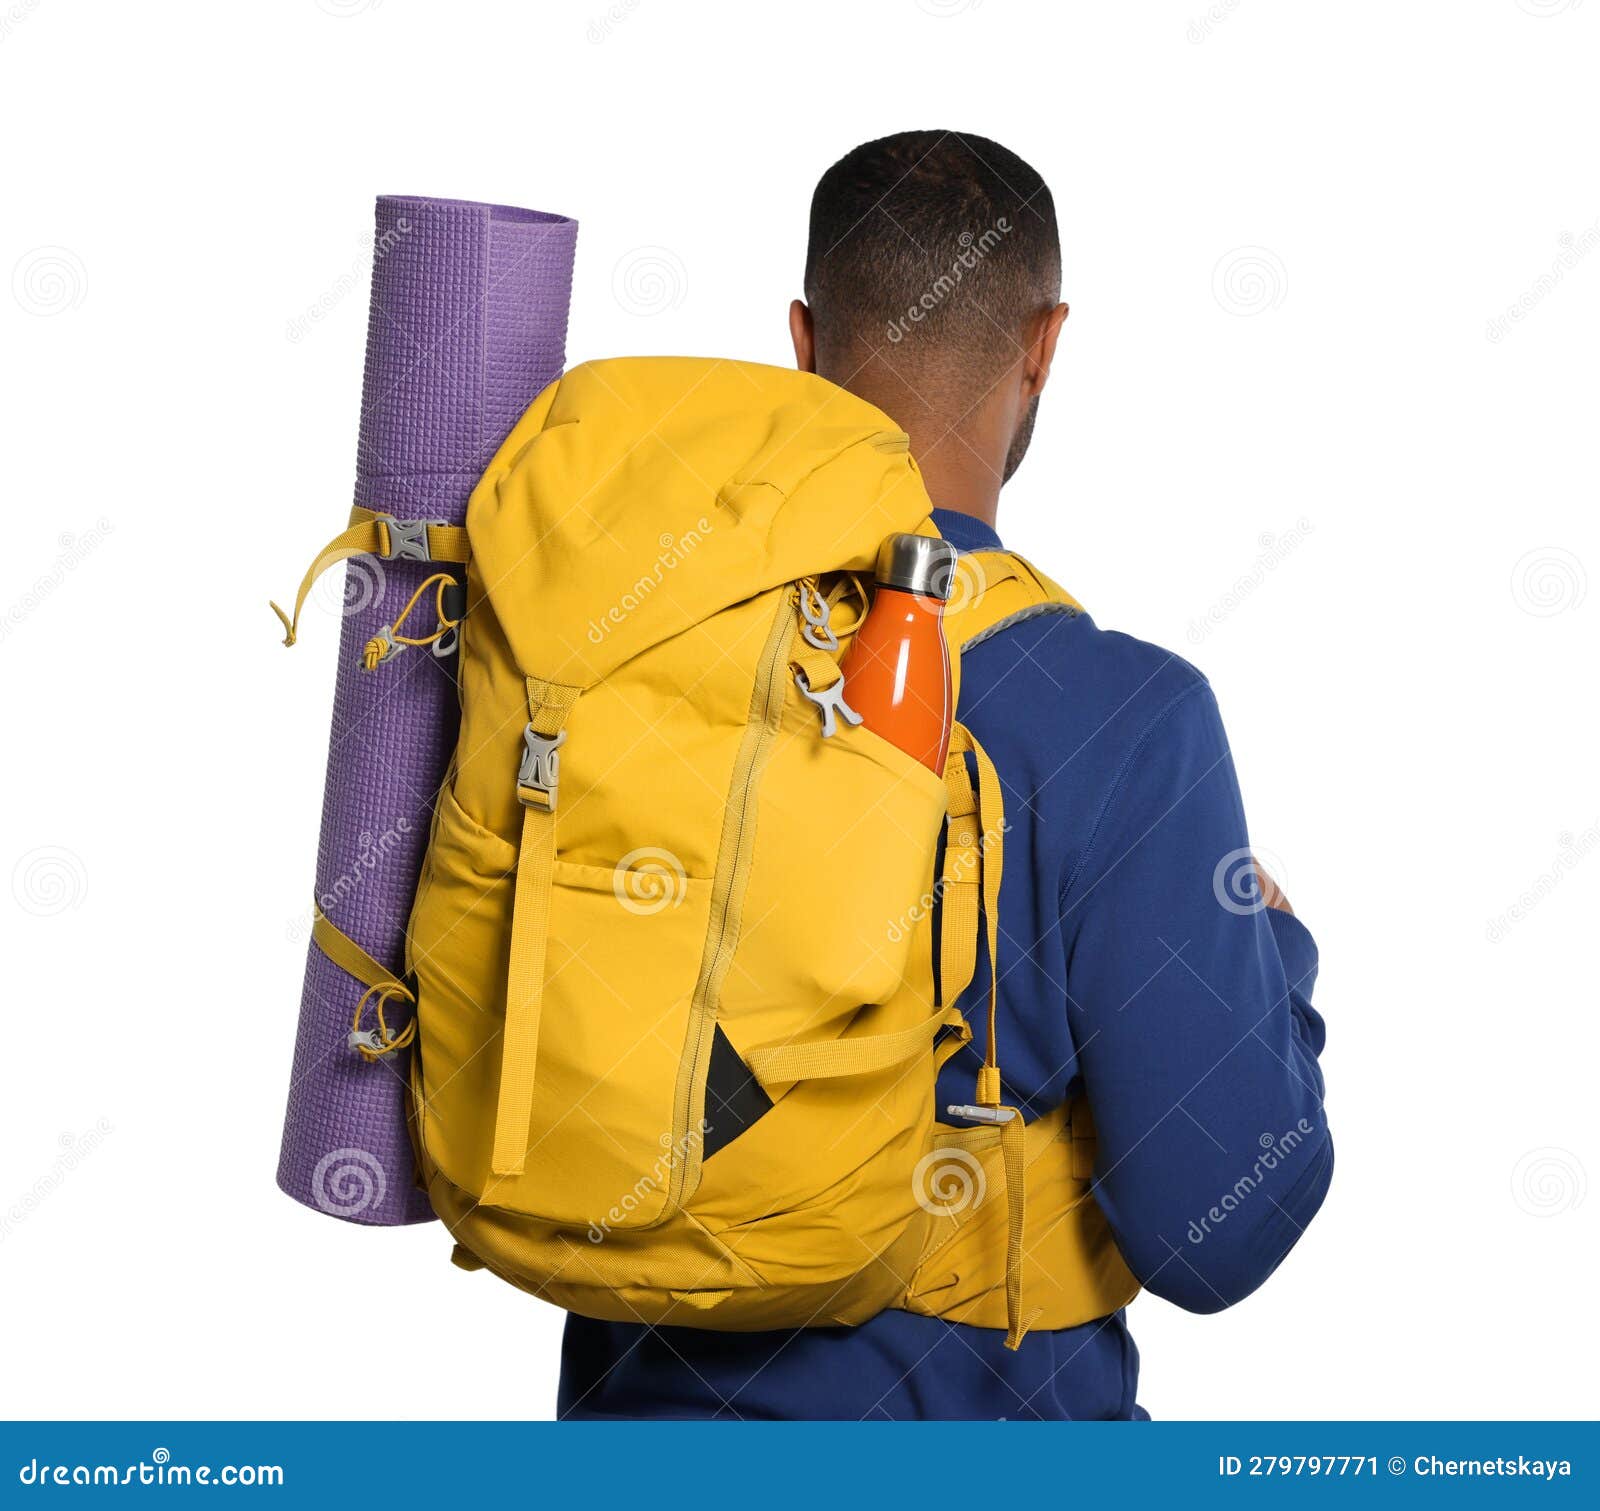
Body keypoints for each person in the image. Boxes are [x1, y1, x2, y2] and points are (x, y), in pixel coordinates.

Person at [559, 130, 1331, 1420]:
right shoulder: (1127, 719)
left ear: (801, 345)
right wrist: (1280, 958)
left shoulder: (621, 655)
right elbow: (1217, 1235)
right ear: (1045, 345)